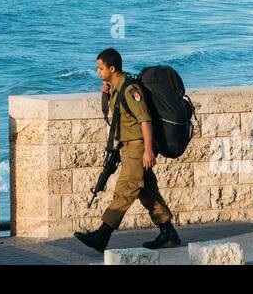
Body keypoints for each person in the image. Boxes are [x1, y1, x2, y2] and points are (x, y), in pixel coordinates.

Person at [74, 48, 179, 252]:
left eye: (100, 68)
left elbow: (145, 120)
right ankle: (168, 233)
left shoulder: (131, 91)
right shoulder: (117, 87)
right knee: (147, 192)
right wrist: (106, 93)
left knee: (125, 190)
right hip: (128, 147)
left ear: (112, 68)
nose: (98, 72)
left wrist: (148, 150)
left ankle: (102, 235)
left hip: (137, 148)